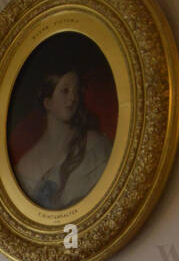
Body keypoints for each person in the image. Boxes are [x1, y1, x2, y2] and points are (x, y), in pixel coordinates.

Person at [14, 65, 112, 210]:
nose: (73, 98)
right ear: (48, 102)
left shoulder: (94, 145)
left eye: (76, 91)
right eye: (65, 91)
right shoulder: (26, 165)